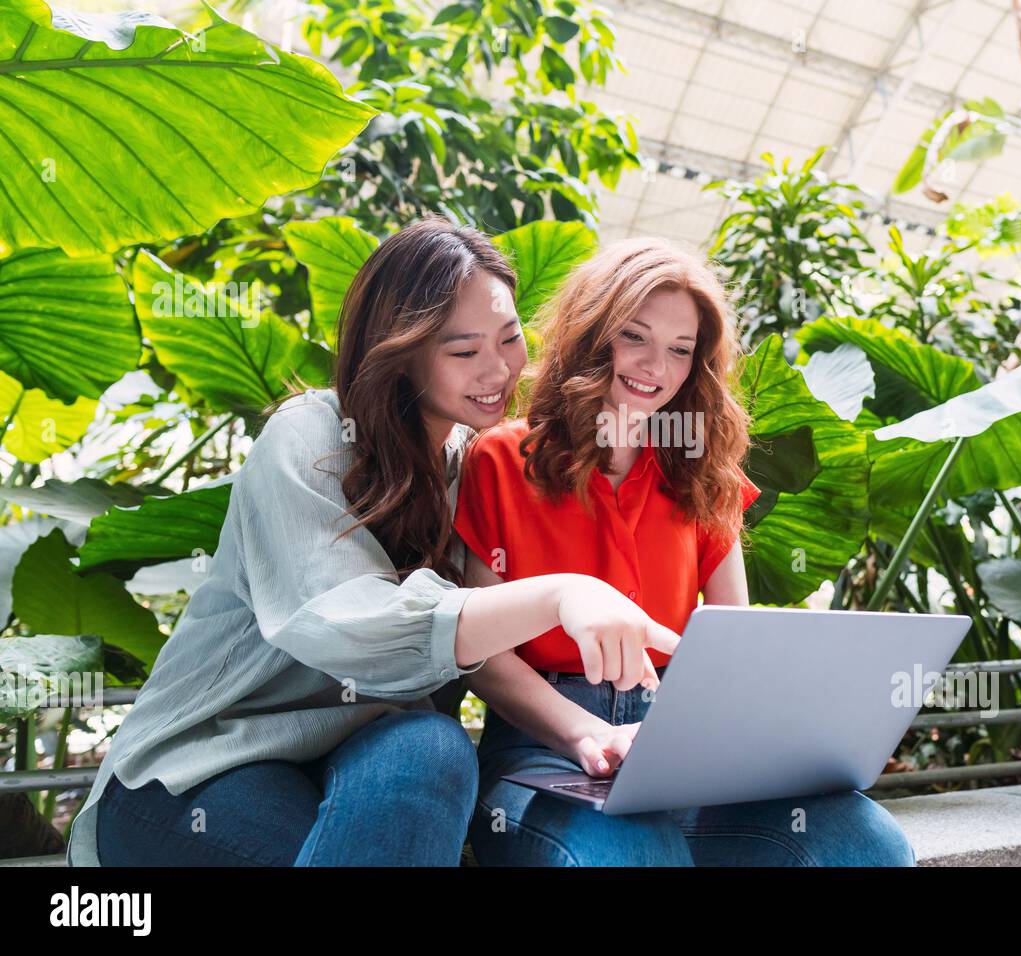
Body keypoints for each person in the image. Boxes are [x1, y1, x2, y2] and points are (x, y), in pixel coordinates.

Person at [71, 217, 677, 867]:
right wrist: (564, 593)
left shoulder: (474, 463)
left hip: (369, 765)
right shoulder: (310, 437)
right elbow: (348, 628)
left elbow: (480, 650)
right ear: (400, 350)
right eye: (464, 351)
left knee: (433, 744)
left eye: (510, 339)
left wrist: (591, 731)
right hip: (204, 768)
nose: (500, 370)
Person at [454, 237, 918, 866]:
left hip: (675, 742)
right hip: (542, 749)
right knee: (637, 851)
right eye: (635, 337)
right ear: (593, 334)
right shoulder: (501, 459)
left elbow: (735, 641)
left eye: (680, 349)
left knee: (867, 844)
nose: (656, 367)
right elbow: (482, 654)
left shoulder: (705, 473)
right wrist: (586, 733)